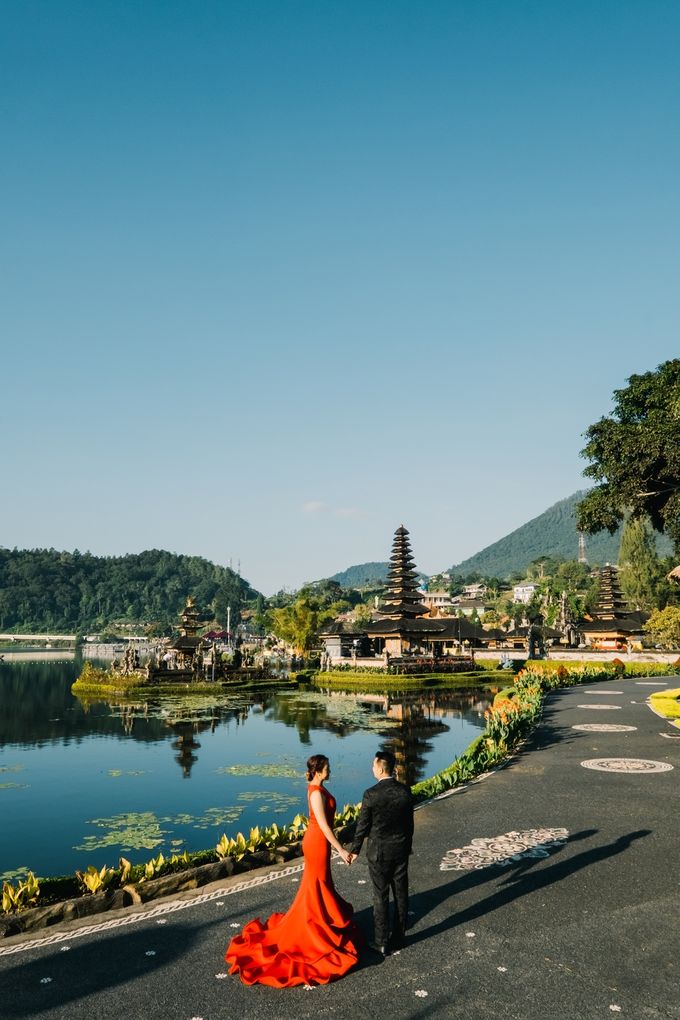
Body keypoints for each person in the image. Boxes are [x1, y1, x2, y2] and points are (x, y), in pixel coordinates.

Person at [225, 753, 361, 987]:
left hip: (319, 842)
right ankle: (313, 930)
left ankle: (318, 923)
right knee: (317, 885)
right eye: (327, 767)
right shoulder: (316, 793)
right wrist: (340, 849)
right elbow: (324, 825)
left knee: (319, 885)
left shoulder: (317, 788)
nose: (330, 770)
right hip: (317, 843)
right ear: (318, 770)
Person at [348, 750, 414, 956]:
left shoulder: (371, 794)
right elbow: (409, 824)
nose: (372, 768)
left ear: (380, 768)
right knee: (401, 894)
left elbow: (362, 825)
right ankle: (399, 937)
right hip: (400, 849)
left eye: (374, 765)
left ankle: (381, 941)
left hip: (378, 853)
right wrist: (407, 846)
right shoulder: (405, 791)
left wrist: (355, 850)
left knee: (380, 895)